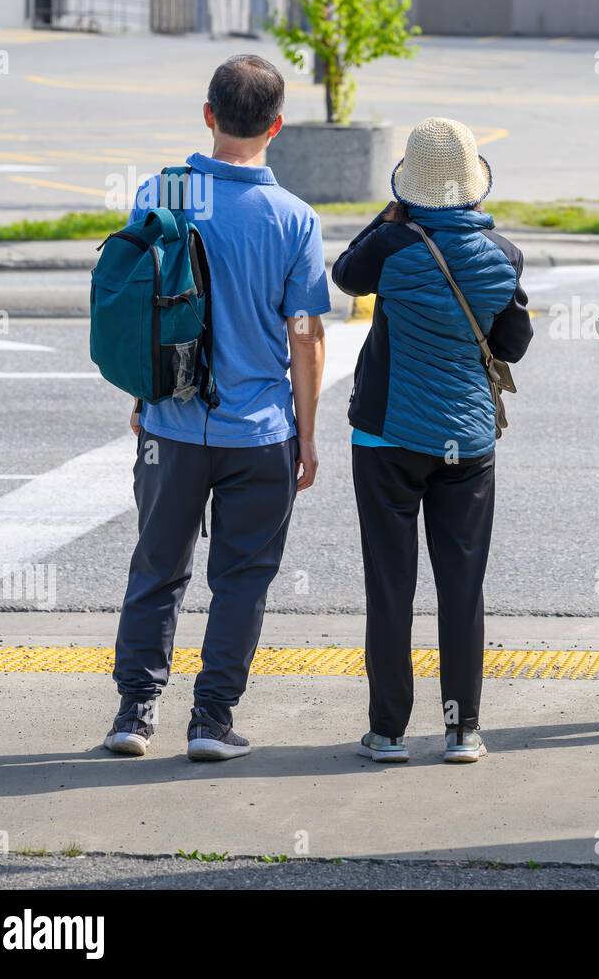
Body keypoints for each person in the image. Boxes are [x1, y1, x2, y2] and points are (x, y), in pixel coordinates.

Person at [103, 54, 330, 762]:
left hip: (168, 424)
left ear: (208, 115)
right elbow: (306, 336)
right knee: (242, 578)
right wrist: (308, 435)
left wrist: (145, 397)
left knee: (157, 566)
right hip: (258, 429)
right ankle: (211, 719)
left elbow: (141, 303)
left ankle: (136, 712)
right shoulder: (294, 218)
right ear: (277, 127)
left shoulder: (162, 191)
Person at [331, 117, 532, 764]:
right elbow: (513, 345)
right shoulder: (502, 256)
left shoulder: (390, 249)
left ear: (409, 189)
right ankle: (462, 730)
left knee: (390, 587)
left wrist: (390, 217)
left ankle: (388, 732)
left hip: (386, 439)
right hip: (466, 445)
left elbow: (344, 274)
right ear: (474, 187)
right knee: (462, 586)